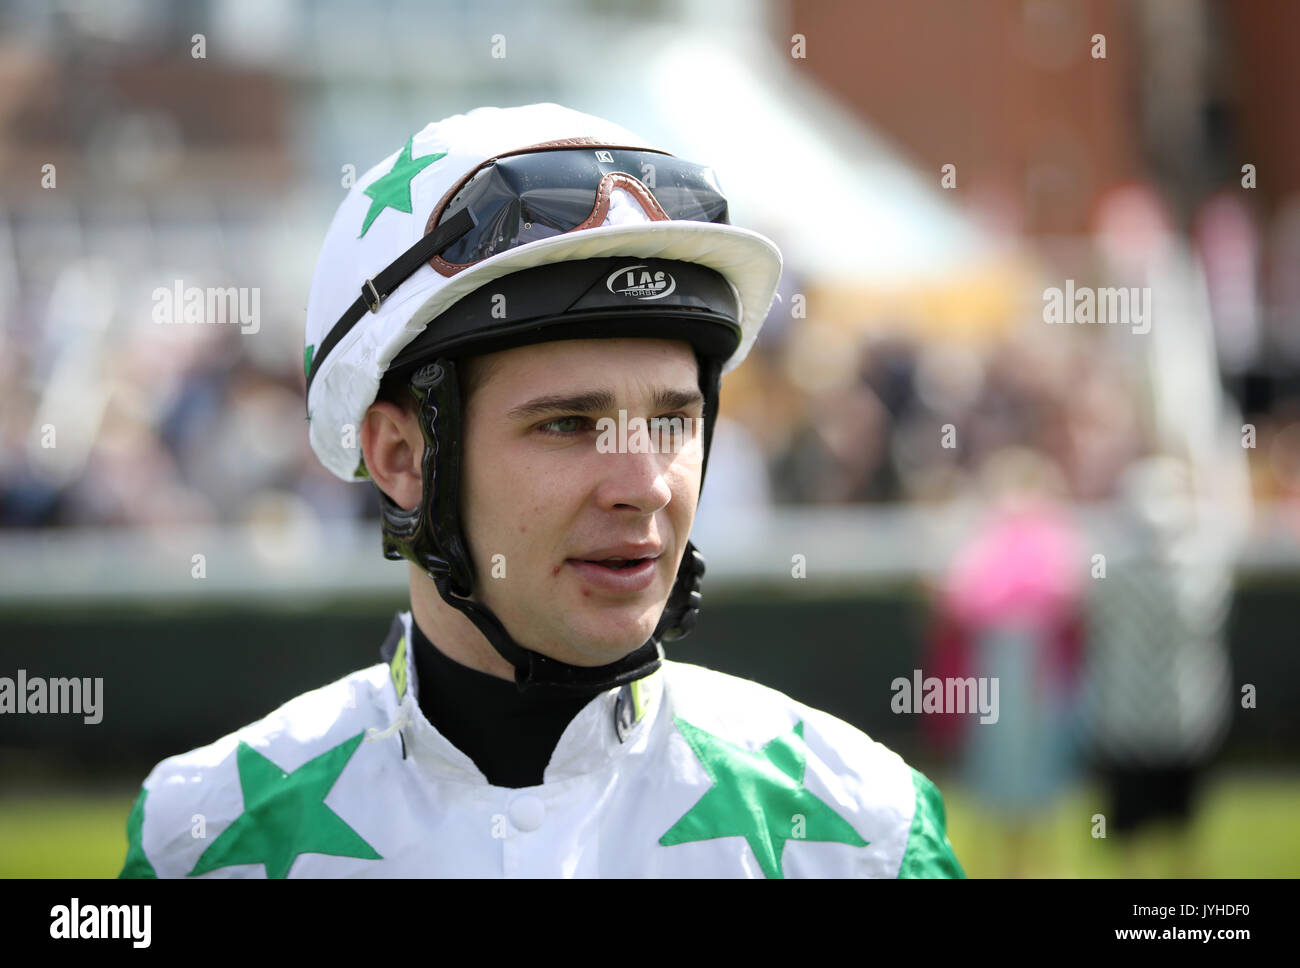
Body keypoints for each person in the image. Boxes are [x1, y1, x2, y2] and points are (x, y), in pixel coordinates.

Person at [118, 103, 963, 878]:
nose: (643, 487)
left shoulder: (866, 832)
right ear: (401, 457)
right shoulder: (202, 836)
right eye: (567, 425)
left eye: (672, 421)